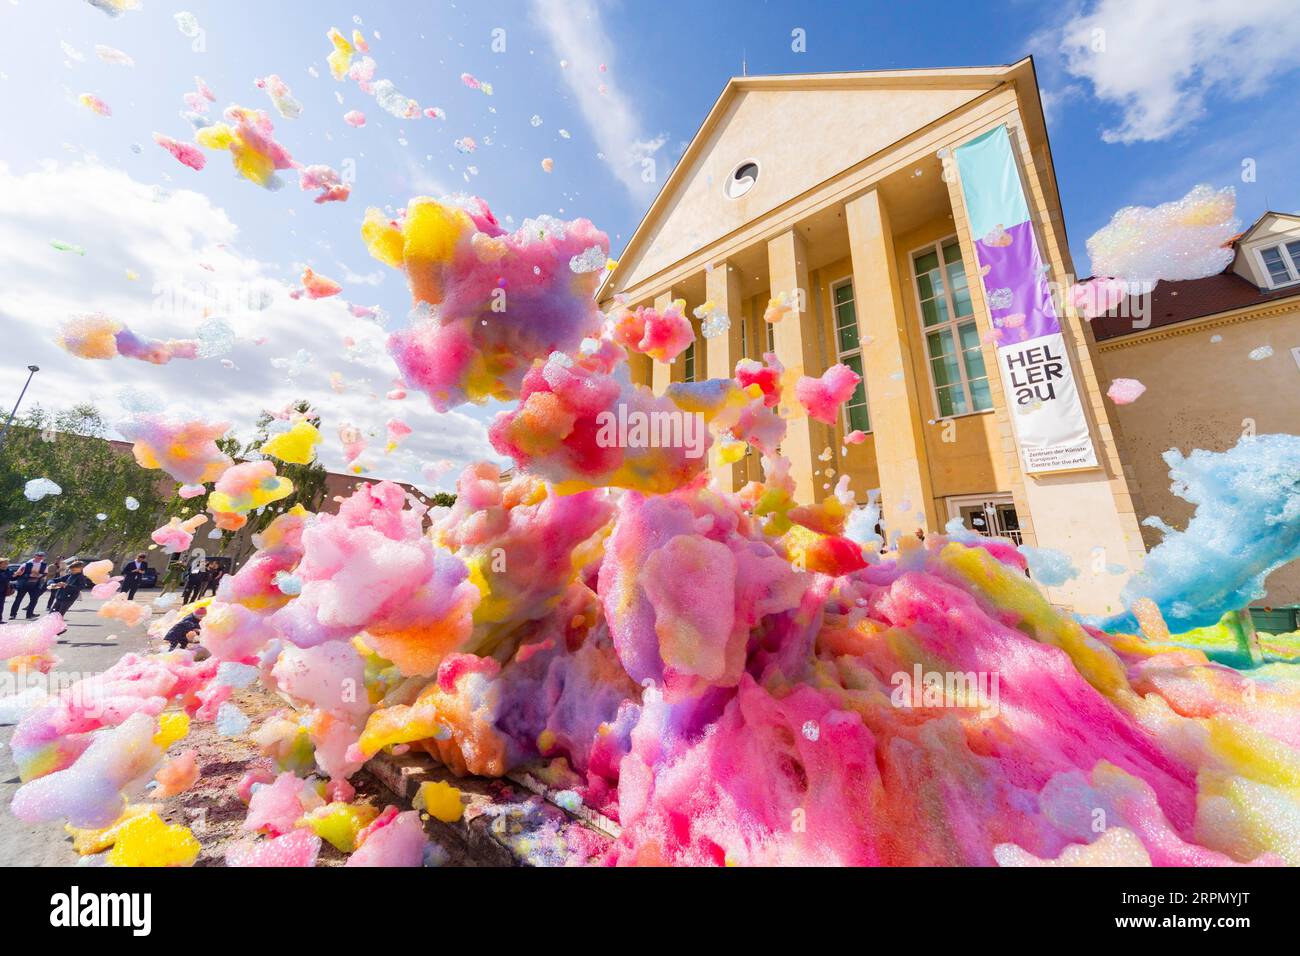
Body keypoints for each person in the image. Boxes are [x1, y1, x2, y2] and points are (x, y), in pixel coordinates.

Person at [9, 551, 49, 620]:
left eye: (42, 556)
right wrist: (30, 575)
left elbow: (45, 573)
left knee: (34, 599)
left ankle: (29, 614)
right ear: (35, 556)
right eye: (39, 556)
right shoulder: (26, 564)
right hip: (24, 584)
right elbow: (19, 574)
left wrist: (40, 575)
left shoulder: (44, 565)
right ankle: (13, 614)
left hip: (35, 585)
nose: (40, 557)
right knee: (18, 599)